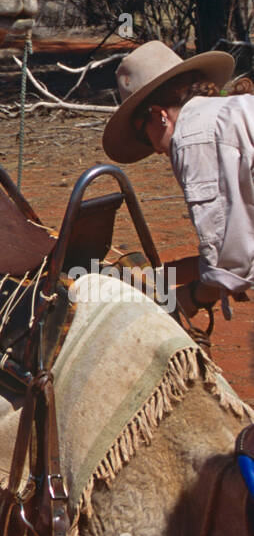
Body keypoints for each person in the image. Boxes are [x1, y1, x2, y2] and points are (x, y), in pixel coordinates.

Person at [102, 40, 253, 341]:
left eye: (142, 135)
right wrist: (161, 278)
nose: (154, 149)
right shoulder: (223, 114)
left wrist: (190, 299)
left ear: (158, 115)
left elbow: (234, 263)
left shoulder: (193, 138)